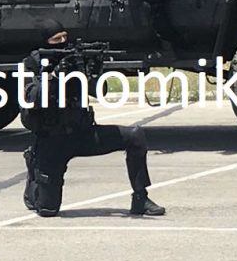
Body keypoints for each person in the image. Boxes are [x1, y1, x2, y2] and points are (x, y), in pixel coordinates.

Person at [20, 19, 167, 217]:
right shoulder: (31, 65)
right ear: (45, 42)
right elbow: (31, 98)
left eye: (65, 36)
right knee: (47, 209)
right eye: (57, 39)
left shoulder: (75, 60)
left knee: (135, 136)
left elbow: (101, 91)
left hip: (83, 134)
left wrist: (91, 71)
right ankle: (35, 178)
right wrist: (55, 77)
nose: (63, 41)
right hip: (52, 141)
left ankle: (141, 198)